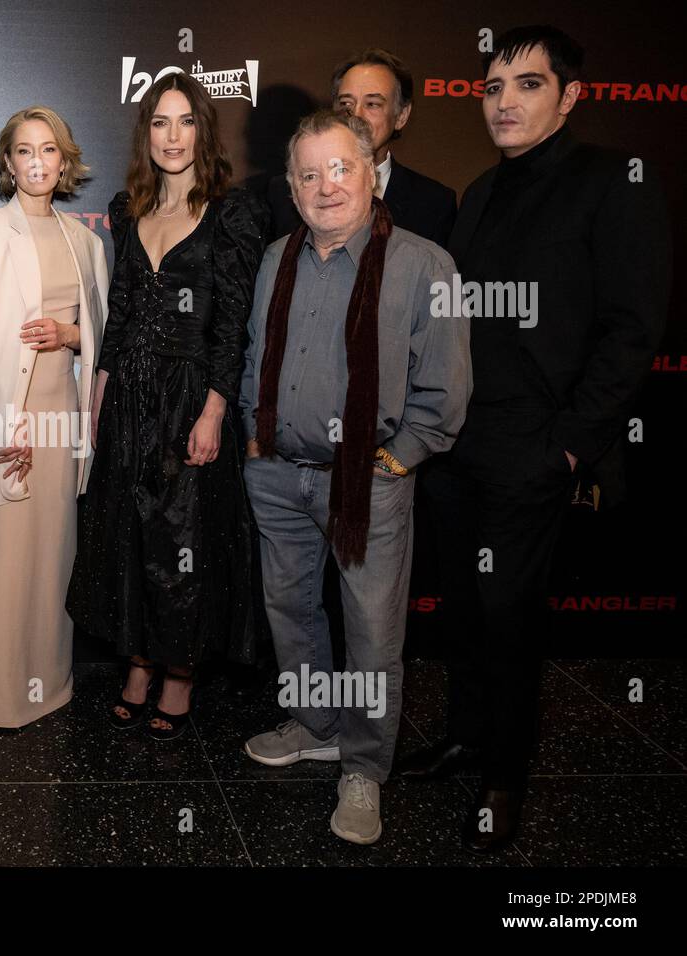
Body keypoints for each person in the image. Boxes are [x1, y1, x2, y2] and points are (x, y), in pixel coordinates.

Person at [400, 25, 671, 852]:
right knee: (461, 606)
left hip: (533, 445)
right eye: (493, 87)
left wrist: (569, 445)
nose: (504, 102)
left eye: (527, 84)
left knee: (509, 615)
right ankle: (465, 737)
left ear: (570, 95)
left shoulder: (613, 181)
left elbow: (632, 329)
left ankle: (504, 776)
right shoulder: (481, 190)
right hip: (456, 442)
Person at [240, 109, 470, 845]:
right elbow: (256, 354)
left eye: (341, 168)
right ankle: (314, 725)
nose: (326, 186)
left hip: (367, 481)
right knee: (291, 613)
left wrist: (398, 459)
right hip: (279, 474)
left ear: (371, 173)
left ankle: (365, 767)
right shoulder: (275, 258)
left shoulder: (424, 264)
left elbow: (446, 390)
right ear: (292, 187)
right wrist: (255, 436)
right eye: (309, 174)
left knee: (372, 632)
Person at [66, 72, 266, 741]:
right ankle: (140, 661)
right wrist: (99, 390)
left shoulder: (230, 213)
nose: (172, 136)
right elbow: (120, 310)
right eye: (159, 122)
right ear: (145, 132)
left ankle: (179, 674)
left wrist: (214, 411)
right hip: (129, 394)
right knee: (130, 534)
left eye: (184, 122)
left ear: (202, 131)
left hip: (189, 396)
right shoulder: (130, 208)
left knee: (182, 540)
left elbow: (232, 323)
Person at [0, 106, 108, 730]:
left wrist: (70, 333)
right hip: (5, 419)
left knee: (51, 558)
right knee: (3, 562)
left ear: (64, 162)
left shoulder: (85, 241)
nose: (37, 162)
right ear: (8, 163)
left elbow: (101, 340)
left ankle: (47, 681)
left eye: (48, 150)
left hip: (61, 420)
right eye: (24, 151)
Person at [267, 49, 456, 246]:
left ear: (401, 115)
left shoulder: (434, 202)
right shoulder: (283, 193)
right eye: (346, 103)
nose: (356, 115)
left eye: (372, 104)